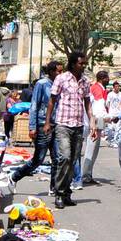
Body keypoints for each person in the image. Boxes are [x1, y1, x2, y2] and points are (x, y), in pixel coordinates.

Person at [45, 51, 92, 210]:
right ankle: (58, 192)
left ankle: (66, 193)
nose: (83, 66)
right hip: (63, 124)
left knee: (73, 161)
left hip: (78, 126)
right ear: (73, 64)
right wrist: (47, 122)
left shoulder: (85, 81)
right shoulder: (61, 78)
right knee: (64, 157)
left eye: (85, 63)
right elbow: (52, 101)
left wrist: (91, 122)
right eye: (81, 63)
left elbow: (87, 103)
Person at [11, 63, 59, 187]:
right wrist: (32, 127)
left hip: (56, 125)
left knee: (57, 159)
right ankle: (15, 176)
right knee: (38, 159)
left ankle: (54, 188)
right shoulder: (42, 84)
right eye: (59, 71)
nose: (61, 74)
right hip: (42, 125)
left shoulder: (59, 85)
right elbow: (34, 106)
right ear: (52, 72)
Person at [80, 71, 110, 185]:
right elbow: (99, 111)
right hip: (94, 123)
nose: (109, 80)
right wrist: (109, 118)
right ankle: (86, 175)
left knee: (94, 149)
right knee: (91, 149)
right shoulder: (97, 89)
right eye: (107, 78)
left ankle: (88, 174)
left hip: (96, 123)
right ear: (103, 78)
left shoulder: (100, 89)